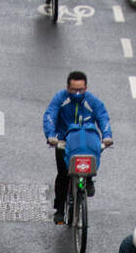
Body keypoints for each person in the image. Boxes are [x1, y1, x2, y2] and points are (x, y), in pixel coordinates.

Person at [43, 71, 113, 225]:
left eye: (81, 90)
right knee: (63, 175)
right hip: (64, 143)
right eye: (74, 89)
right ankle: (60, 209)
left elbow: (103, 117)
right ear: (68, 87)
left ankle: (88, 179)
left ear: (86, 88)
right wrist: (51, 136)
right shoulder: (60, 99)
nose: (77, 93)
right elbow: (50, 115)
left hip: (86, 143)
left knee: (90, 162)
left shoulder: (93, 102)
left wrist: (107, 136)